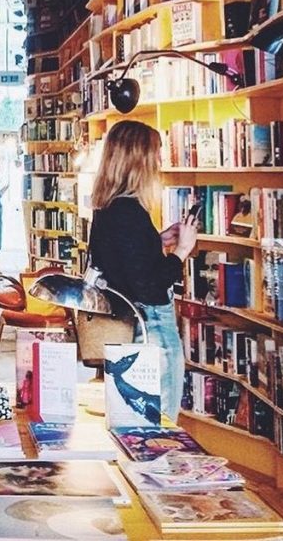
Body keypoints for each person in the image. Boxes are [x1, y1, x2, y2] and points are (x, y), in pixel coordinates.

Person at [87, 120, 198, 421]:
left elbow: (122, 262)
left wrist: (155, 242)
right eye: (156, 153)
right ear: (140, 159)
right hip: (151, 327)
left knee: (133, 422)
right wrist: (181, 251)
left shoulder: (107, 208)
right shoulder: (130, 212)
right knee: (157, 425)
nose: (160, 161)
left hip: (126, 323)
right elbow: (148, 286)